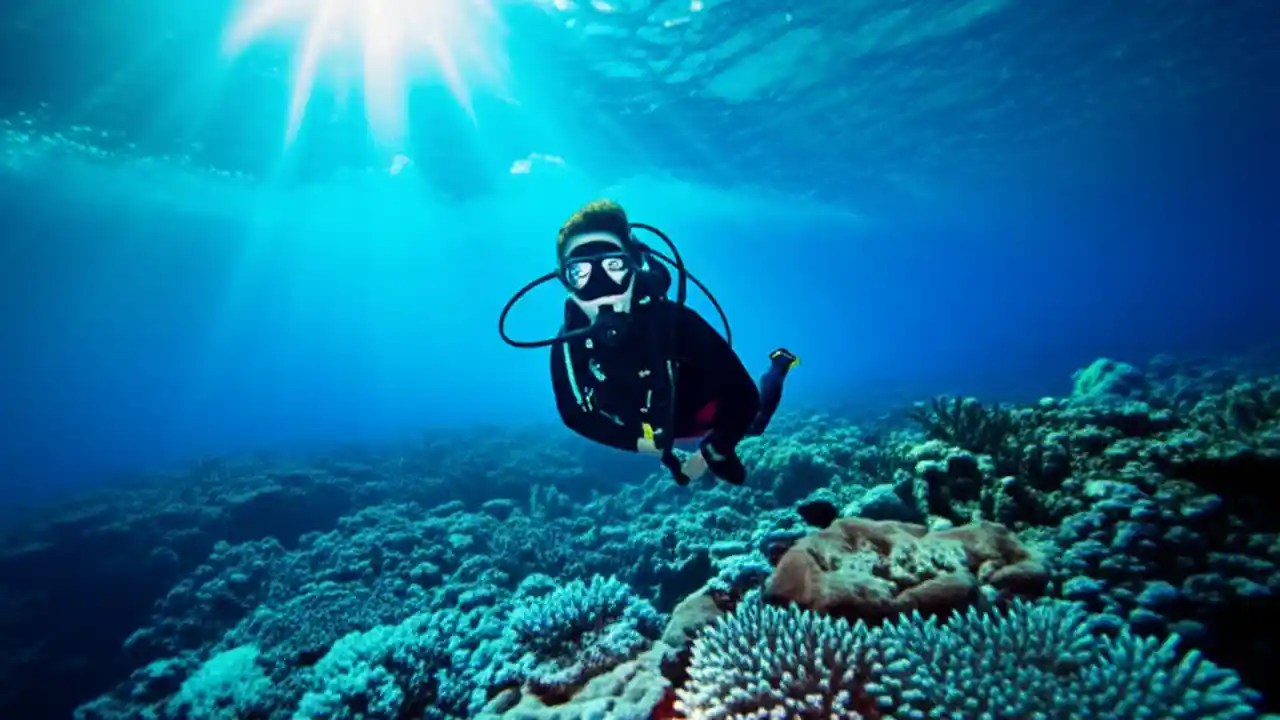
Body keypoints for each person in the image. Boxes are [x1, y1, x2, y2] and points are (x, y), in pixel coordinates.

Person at [548, 199, 798, 485]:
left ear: (633, 267)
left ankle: (780, 364)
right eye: (580, 272)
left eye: (613, 265)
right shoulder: (569, 346)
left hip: (709, 412)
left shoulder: (674, 321)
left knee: (756, 423)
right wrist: (647, 446)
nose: (601, 287)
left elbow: (744, 396)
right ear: (565, 281)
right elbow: (574, 415)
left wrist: (712, 452)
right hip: (655, 429)